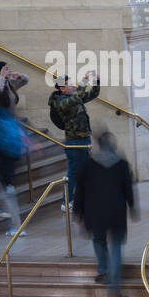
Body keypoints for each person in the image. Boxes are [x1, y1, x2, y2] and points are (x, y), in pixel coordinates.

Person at [73, 131, 137, 297]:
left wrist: (77, 213)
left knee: (98, 241)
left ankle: (103, 270)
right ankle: (113, 292)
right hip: (116, 213)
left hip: (94, 214)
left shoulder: (88, 165)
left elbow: (80, 191)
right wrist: (132, 207)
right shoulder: (122, 164)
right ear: (113, 146)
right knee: (115, 249)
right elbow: (128, 189)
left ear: (99, 146)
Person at [48, 73, 101, 208]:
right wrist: (84, 80)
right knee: (73, 173)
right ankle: (66, 202)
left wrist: (96, 81)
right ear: (62, 88)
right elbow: (77, 96)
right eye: (69, 83)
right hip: (74, 142)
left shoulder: (73, 97)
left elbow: (93, 94)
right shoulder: (60, 102)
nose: (72, 84)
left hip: (84, 138)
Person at [0, 89, 30, 236]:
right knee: (8, 190)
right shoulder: (8, 115)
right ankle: (14, 223)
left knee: (7, 193)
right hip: (12, 157)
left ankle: (16, 227)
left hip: (3, 159)